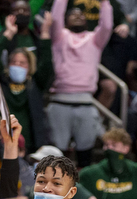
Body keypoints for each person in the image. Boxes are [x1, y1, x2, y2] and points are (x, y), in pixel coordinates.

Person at [46, 0, 114, 167]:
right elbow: (56, 18)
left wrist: (104, 3)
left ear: (87, 21)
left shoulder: (95, 40)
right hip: (60, 101)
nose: (77, 16)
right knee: (57, 153)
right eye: (73, 14)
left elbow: (106, 26)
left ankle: (82, 190)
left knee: (85, 153)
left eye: (81, 15)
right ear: (66, 20)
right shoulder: (59, 37)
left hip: (86, 102)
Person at [0, 16, 54, 152]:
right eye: (14, 62)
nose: (17, 65)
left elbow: (47, 63)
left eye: (22, 63)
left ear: (29, 66)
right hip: (2, 141)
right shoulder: (1, 82)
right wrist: (8, 33)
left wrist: (45, 34)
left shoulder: (36, 83)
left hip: (30, 144)